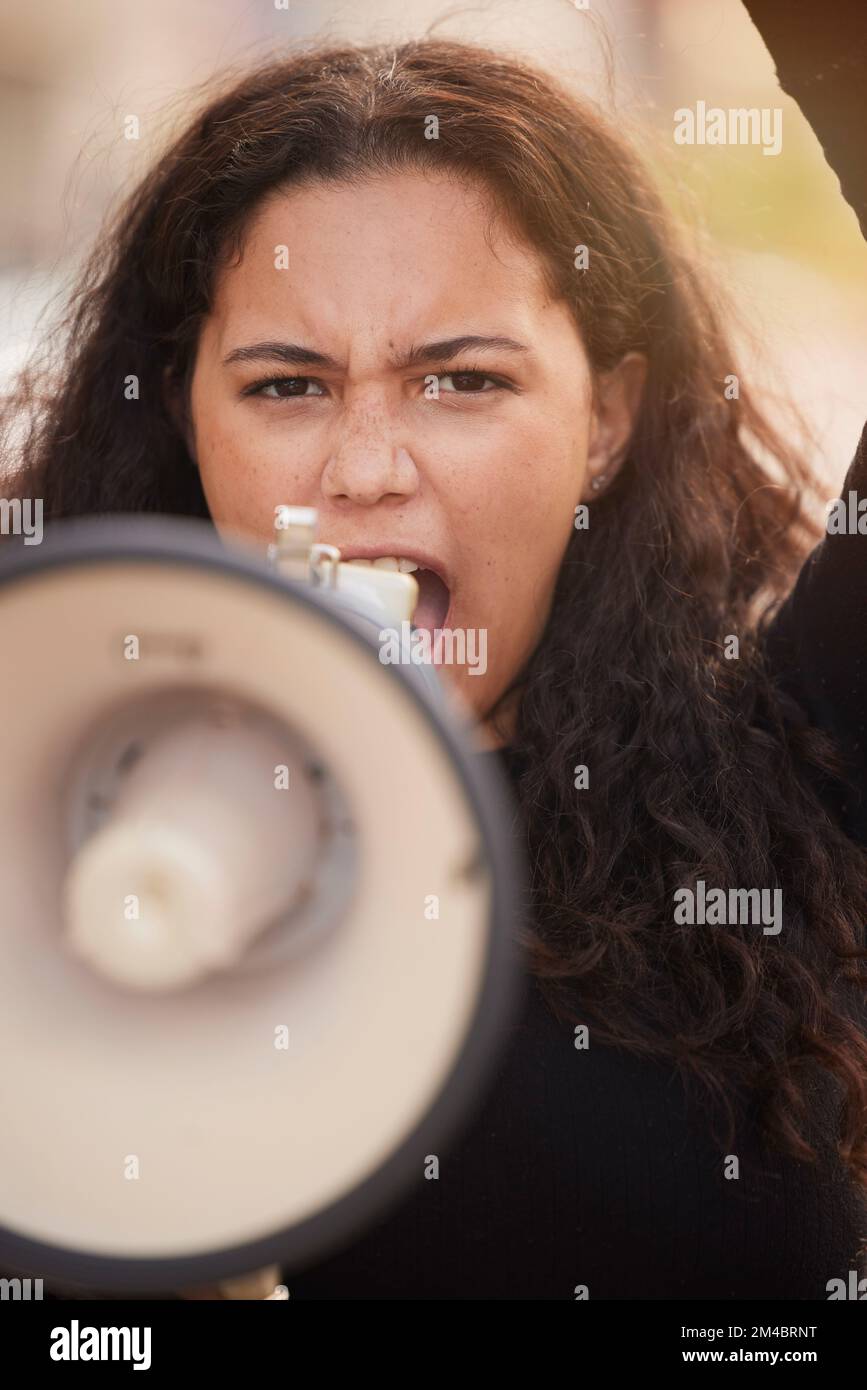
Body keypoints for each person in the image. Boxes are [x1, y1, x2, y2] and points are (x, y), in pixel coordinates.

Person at [3, 39, 866, 1299]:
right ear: (188, 419)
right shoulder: (39, 826)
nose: (364, 469)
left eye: (461, 380)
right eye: (288, 385)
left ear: (607, 424)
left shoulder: (799, 754)